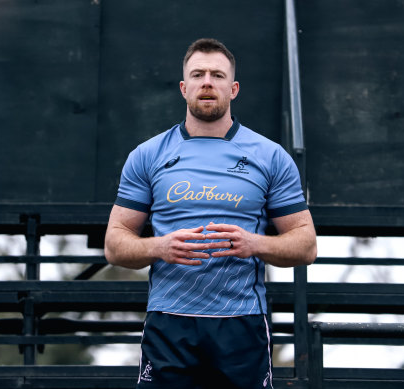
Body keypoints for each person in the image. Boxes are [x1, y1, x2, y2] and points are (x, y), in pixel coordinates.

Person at [105, 38, 317, 389]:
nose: (207, 82)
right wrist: (158, 248)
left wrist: (254, 244)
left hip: (241, 323)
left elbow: (305, 245)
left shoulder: (270, 156)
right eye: (198, 74)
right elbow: (114, 244)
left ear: (233, 89)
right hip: (170, 323)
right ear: (183, 87)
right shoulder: (147, 155)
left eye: (217, 75)